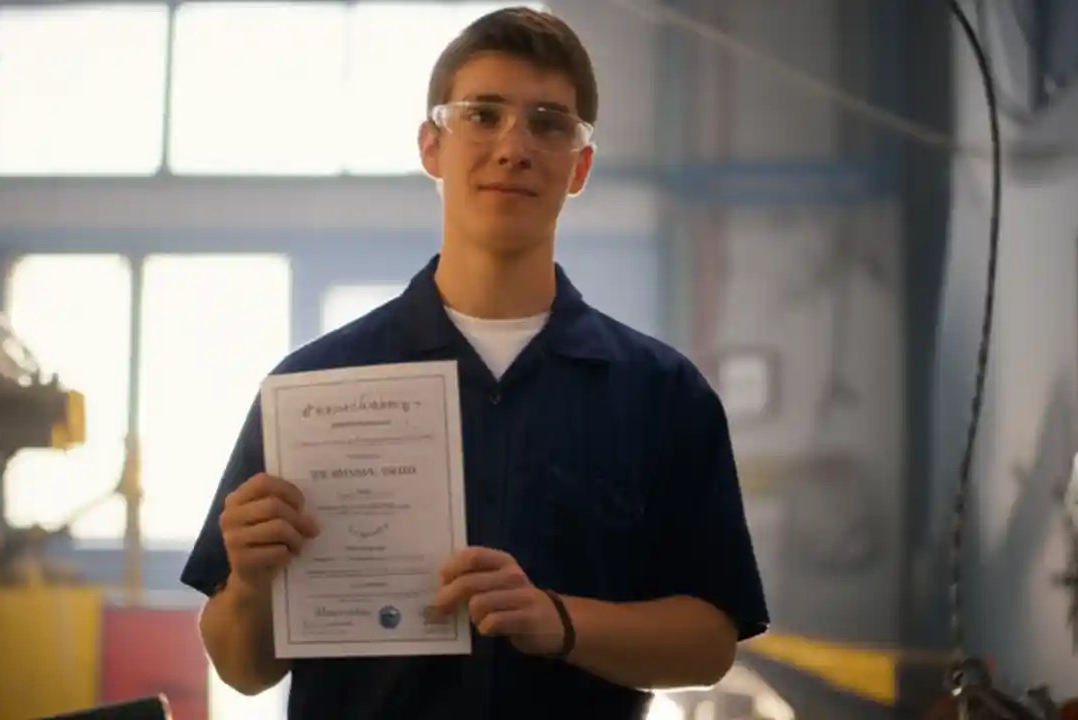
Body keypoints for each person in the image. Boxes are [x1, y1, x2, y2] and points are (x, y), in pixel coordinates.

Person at [180, 6, 769, 718]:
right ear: (432, 146)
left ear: (579, 165)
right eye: (482, 115)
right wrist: (247, 582)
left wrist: (558, 620)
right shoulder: (312, 390)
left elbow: (709, 645)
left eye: (548, 123)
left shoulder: (662, 394)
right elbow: (243, 670)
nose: (513, 146)